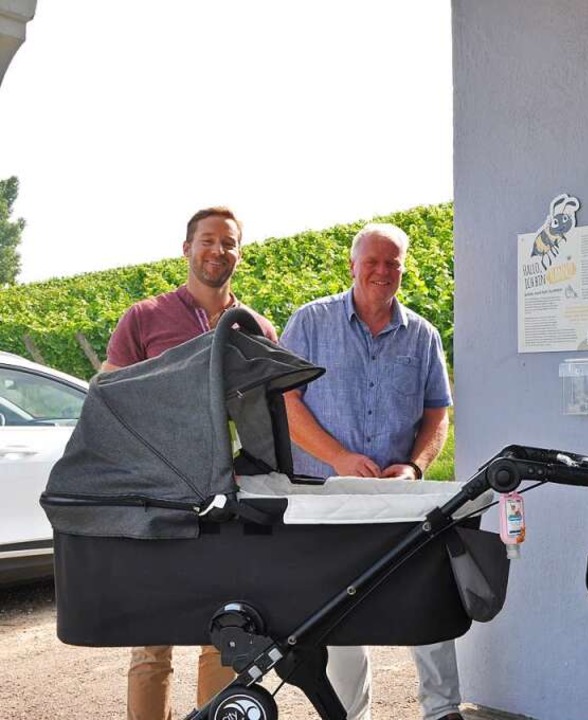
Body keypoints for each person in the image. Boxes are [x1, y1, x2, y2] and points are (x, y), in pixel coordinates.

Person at [102, 206, 278, 720]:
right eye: (207, 240)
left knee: (224, 633)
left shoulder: (256, 327)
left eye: (228, 242)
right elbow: (109, 396)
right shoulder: (145, 317)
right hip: (155, 497)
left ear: (238, 254)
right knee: (151, 641)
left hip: (226, 498)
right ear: (187, 249)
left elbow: (269, 419)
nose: (217, 250)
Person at [279, 222, 461, 720]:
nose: (383, 271)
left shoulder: (422, 334)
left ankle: (443, 710)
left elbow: (436, 413)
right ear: (352, 266)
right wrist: (338, 456)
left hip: (396, 498)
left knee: (427, 593)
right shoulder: (311, 322)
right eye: (373, 261)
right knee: (339, 610)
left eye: (392, 263)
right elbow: (285, 402)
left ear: (403, 269)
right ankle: (350, 716)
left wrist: (415, 466)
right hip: (326, 495)